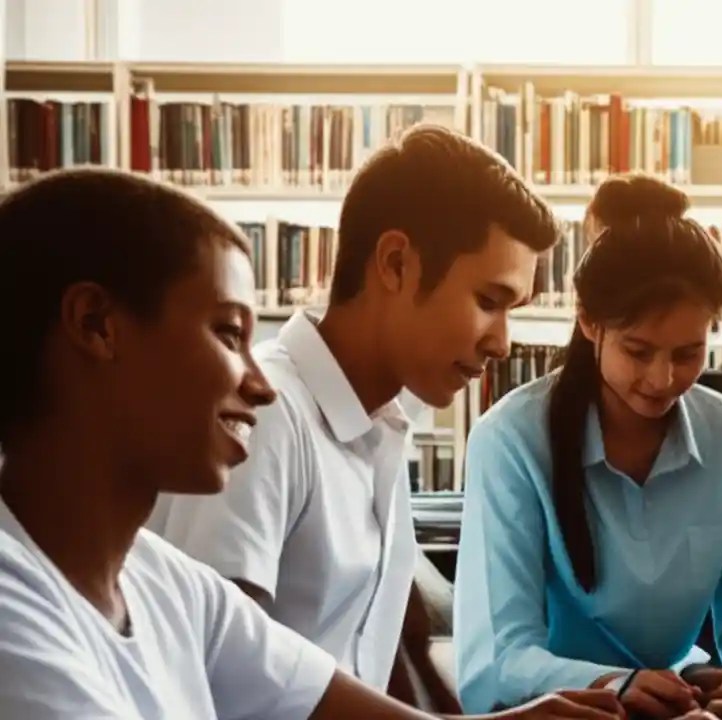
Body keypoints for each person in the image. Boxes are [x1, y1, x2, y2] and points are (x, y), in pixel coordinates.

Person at [0, 167, 628, 720]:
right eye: (226, 333)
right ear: (95, 324)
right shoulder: (17, 616)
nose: (257, 384)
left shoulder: (169, 583)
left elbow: (329, 690)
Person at [146, 123, 559, 707]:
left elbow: (367, 662)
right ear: (394, 263)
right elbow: (212, 674)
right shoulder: (264, 418)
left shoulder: (380, 423)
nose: (502, 344)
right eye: (488, 302)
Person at [452, 174, 722, 716]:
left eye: (688, 353)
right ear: (590, 323)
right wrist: (618, 683)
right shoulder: (511, 439)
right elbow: (498, 660)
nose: (663, 379)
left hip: (684, 698)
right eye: (638, 351)